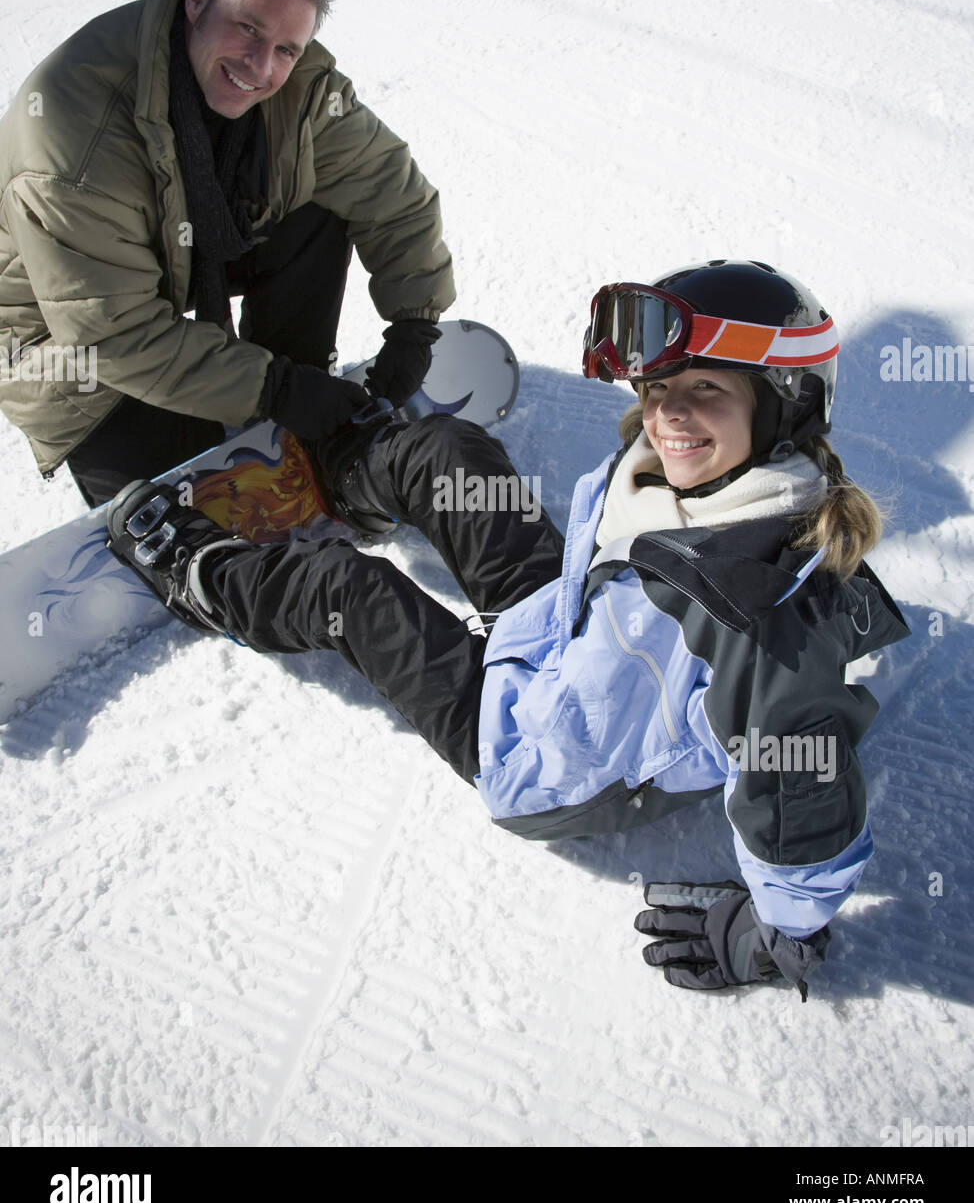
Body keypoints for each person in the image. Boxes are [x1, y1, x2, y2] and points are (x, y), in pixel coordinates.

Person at [105, 260, 910, 998]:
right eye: (659, 386)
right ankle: (353, 477)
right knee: (451, 454)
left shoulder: (761, 618)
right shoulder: (688, 475)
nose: (669, 415)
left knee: (347, 587)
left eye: (706, 390)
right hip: (558, 630)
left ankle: (202, 578)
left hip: (541, 752)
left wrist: (779, 936)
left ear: (784, 406)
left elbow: (803, 783)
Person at [0, 0, 453, 506]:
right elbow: (112, 335)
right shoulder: (72, 136)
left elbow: (389, 187)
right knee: (201, 505)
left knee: (323, 201)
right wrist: (277, 388)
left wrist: (414, 321)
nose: (261, 67)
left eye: (287, 49)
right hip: (71, 343)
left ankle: (294, 409)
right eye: (248, 28)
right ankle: (274, 395)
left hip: (178, 263)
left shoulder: (297, 89)